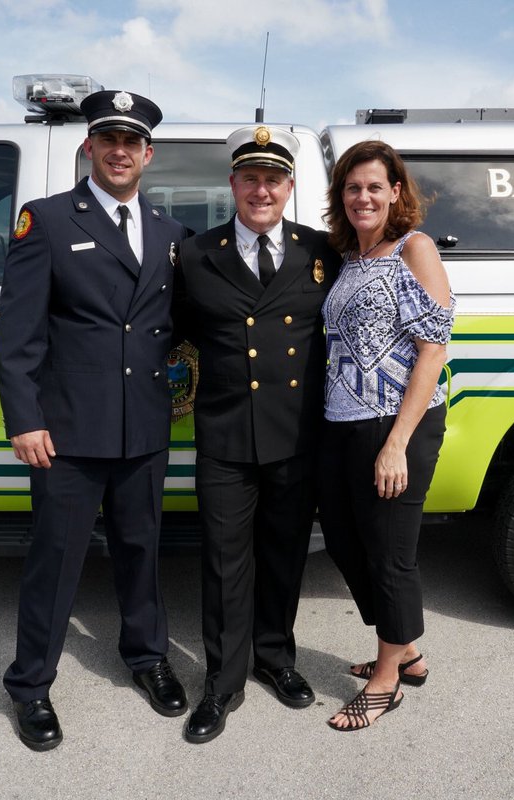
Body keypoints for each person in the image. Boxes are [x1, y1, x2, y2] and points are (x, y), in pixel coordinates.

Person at [0, 89, 188, 751]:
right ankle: (30, 685)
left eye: (132, 142)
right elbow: (18, 333)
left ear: (148, 154)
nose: (120, 151)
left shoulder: (169, 234)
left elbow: (182, 328)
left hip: (143, 428)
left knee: (142, 552)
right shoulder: (46, 221)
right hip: (68, 430)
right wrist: (24, 418)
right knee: (56, 562)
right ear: (90, 146)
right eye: (109, 138)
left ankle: (146, 657)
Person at [174, 125, 340, 743]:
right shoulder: (195, 254)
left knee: (284, 555)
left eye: (273, 179)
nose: (261, 190)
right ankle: (222, 682)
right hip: (224, 436)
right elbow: (175, 331)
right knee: (222, 563)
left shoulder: (320, 250)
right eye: (251, 178)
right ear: (233, 184)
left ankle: (276, 658)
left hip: (295, 435)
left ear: (289, 187)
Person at [317, 139, 454, 731]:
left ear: (396, 191)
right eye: (352, 187)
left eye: (374, 186)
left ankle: (386, 678)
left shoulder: (413, 249)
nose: (363, 196)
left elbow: (432, 351)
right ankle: (409, 652)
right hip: (343, 423)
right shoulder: (351, 257)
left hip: (396, 427)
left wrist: (397, 442)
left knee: (390, 554)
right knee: (348, 546)